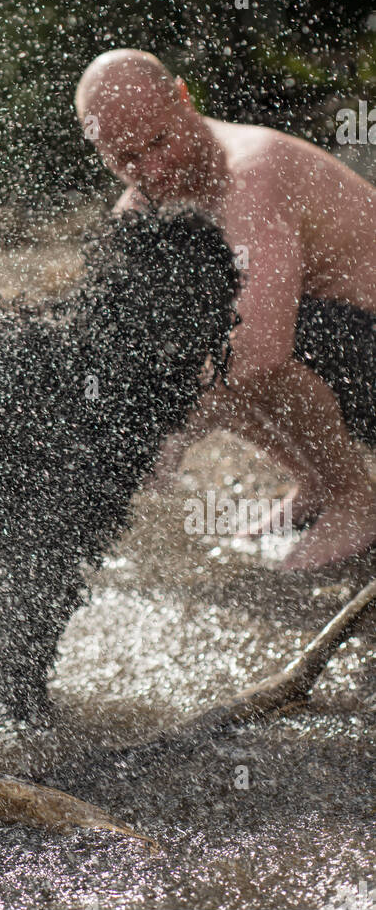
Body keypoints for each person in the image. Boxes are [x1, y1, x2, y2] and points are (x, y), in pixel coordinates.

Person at [74, 48, 376, 569]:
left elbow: (263, 347)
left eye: (159, 142)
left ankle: (358, 502)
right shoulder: (140, 213)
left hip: (363, 345)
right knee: (187, 352)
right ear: (103, 155)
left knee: (244, 344)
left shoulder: (251, 173)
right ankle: (317, 479)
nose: (152, 169)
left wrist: (175, 427)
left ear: (185, 100)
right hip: (343, 353)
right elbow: (121, 346)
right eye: (127, 160)